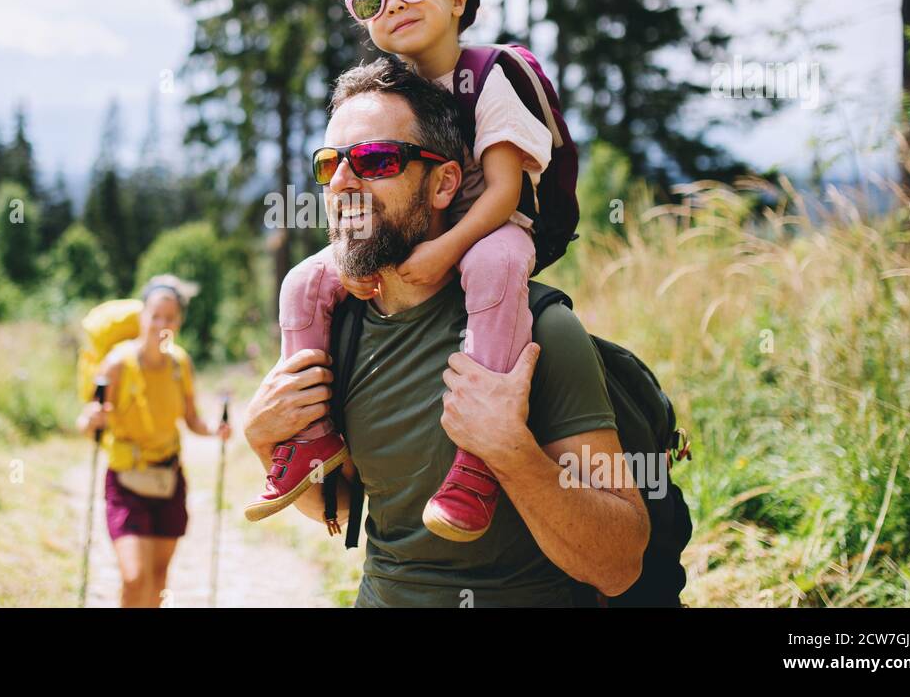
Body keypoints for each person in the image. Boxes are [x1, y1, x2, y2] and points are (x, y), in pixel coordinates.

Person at [242, 58, 649, 606]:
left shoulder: (543, 332)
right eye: (329, 164)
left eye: (376, 160)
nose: (341, 182)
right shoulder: (338, 328)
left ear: (443, 185)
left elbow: (619, 564)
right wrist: (264, 442)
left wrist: (510, 451)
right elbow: (344, 509)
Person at [246, 0, 554, 543]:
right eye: (370, 1)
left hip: (494, 228)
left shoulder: (491, 76)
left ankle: (477, 455)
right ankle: (310, 437)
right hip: (421, 234)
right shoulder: (395, 91)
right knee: (305, 282)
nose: (393, 6)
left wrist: (443, 249)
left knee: (492, 265)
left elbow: (505, 191)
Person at [76, 276, 231, 608]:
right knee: (135, 577)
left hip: (169, 481)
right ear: (142, 316)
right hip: (126, 482)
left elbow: (191, 419)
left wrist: (214, 429)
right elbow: (90, 417)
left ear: (179, 322)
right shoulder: (118, 363)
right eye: (155, 316)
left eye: (170, 318)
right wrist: (90, 420)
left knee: (159, 578)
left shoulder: (180, 364)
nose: (161, 324)